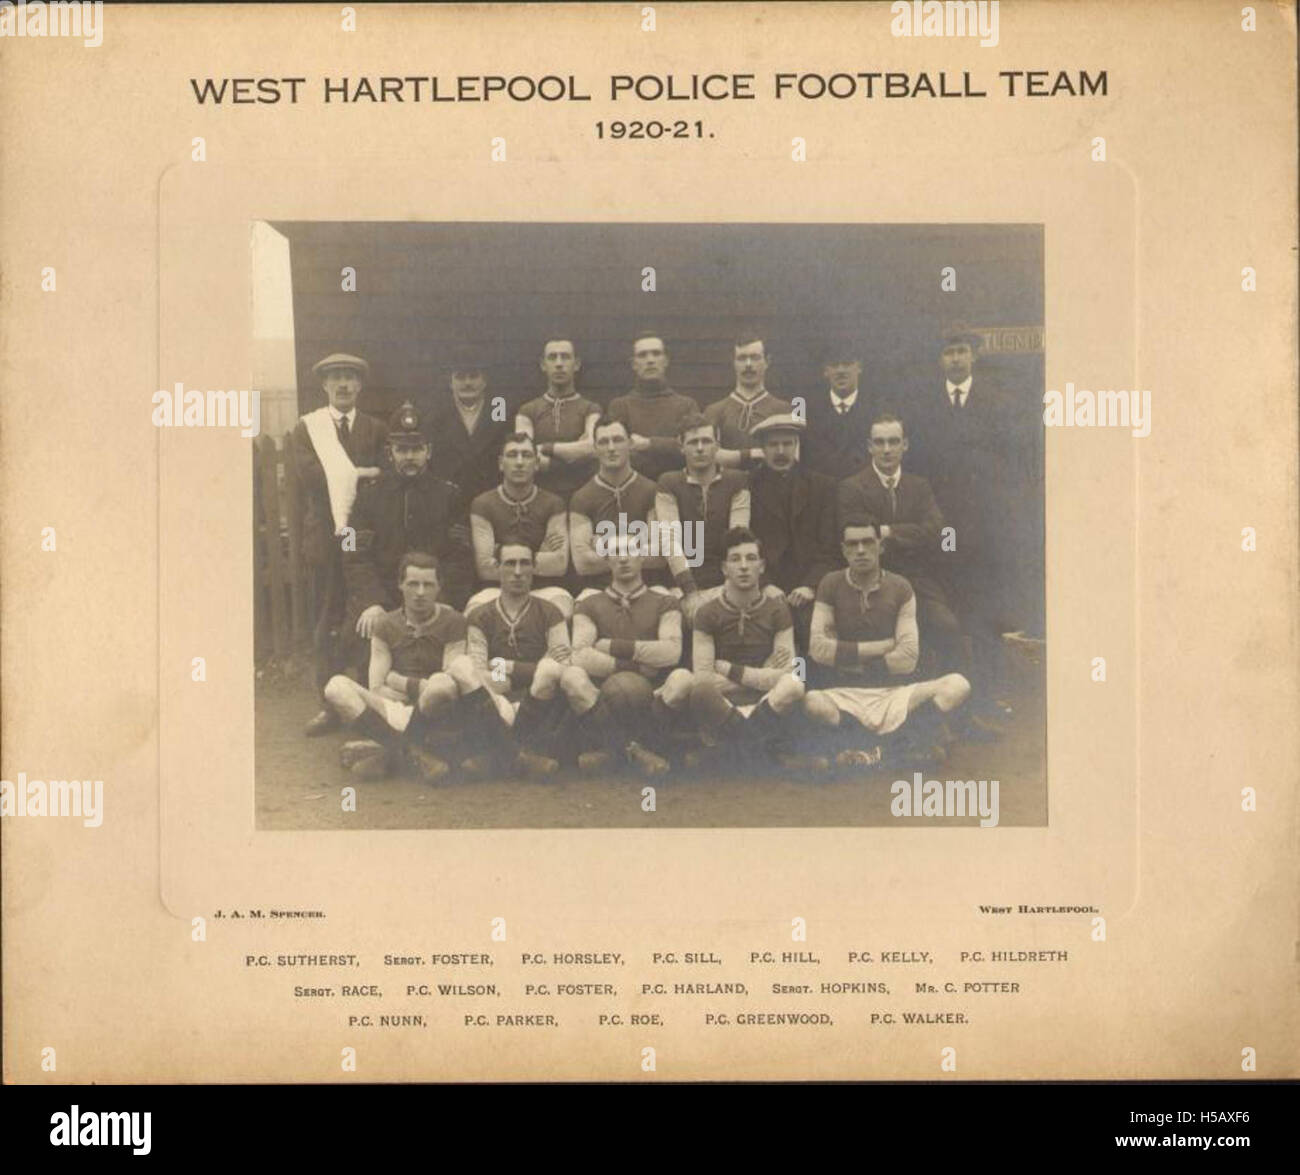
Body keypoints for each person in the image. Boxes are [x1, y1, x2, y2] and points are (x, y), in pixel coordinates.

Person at [908, 323, 1030, 730]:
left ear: (974, 356)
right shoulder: (925, 407)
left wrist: (997, 524)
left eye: (961, 351)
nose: (955, 359)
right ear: (940, 361)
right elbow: (920, 470)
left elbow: (1011, 468)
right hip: (940, 527)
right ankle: (949, 695)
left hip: (984, 530)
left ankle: (989, 693)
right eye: (948, 353)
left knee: (985, 613)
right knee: (947, 610)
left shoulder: (999, 402)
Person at [322, 552, 505, 782]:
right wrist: (399, 687)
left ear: (439, 587)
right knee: (335, 687)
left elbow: (448, 686)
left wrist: (398, 681)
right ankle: (410, 753)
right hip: (394, 709)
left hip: (434, 711)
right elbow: (377, 687)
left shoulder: (454, 621)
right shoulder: (385, 624)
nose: (420, 592)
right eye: (413, 584)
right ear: (400, 585)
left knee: (440, 684)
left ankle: (391, 753)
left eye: (428, 585)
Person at [803, 517, 971, 766]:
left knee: (958, 685)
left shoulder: (901, 586)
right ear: (844, 550)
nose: (861, 550)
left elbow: (907, 659)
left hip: (895, 693)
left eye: (868, 542)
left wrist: (850, 659)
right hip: (845, 693)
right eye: (853, 544)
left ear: (881, 546)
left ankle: (871, 749)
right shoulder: (830, 583)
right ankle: (900, 746)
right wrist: (883, 647)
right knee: (810, 701)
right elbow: (818, 649)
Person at [293, 352, 388, 737]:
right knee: (327, 621)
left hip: (363, 534)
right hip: (328, 540)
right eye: (336, 378)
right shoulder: (307, 429)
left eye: (350, 377)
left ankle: (366, 699)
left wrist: (356, 476)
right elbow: (311, 476)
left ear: (360, 385)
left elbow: (384, 473)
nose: (344, 384)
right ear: (325, 386)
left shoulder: (375, 428)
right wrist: (359, 474)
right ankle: (329, 705)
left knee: (367, 612)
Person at [342, 403, 474, 668]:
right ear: (390, 453)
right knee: (360, 632)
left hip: (433, 595)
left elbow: (460, 558)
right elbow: (353, 554)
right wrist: (371, 601)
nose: (409, 456)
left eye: (416, 449)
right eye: (402, 450)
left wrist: (443, 601)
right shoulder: (368, 496)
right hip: (385, 595)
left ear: (429, 451)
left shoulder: (450, 495)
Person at [836, 413, 963, 677]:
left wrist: (887, 531)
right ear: (869, 446)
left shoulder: (919, 486)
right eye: (879, 442)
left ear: (905, 445)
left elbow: (936, 530)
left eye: (893, 442)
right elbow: (859, 534)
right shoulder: (852, 487)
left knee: (947, 626)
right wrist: (910, 532)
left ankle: (953, 702)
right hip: (872, 580)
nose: (886, 450)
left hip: (916, 579)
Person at [558, 538, 691, 777]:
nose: (623, 558)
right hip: (603, 694)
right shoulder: (588, 604)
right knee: (571, 675)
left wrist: (611, 646)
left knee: (683, 679)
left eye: (631, 551)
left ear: (642, 558)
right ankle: (635, 751)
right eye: (616, 553)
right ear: (608, 561)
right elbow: (580, 655)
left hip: (653, 691)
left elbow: (672, 652)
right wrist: (633, 666)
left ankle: (615, 752)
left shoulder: (665, 602)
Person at [685, 528, 812, 770]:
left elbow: (787, 671)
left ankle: (735, 749)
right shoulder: (706, 613)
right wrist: (761, 675)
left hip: (766, 704)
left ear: (762, 567)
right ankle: (762, 751)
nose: (743, 566)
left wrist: (731, 670)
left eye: (751, 558)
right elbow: (703, 677)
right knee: (699, 690)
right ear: (724, 568)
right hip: (723, 707)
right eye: (735, 559)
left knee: (794, 684)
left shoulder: (778, 610)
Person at [465, 536, 574, 776]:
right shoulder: (480, 616)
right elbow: (477, 671)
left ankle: (499, 756)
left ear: (534, 568)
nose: (517, 572)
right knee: (468, 680)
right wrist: (533, 667)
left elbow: (559, 666)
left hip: (540, 700)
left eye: (525, 563)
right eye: (509, 563)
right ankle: (520, 756)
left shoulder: (550, 612)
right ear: (497, 568)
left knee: (552, 675)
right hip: (497, 702)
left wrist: (506, 666)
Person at [745, 414, 840, 652]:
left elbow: (830, 546)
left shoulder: (822, 486)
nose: (780, 451)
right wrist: (764, 584)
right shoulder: (747, 486)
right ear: (762, 449)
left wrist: (810, 586)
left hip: (809, 586)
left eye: (787, 443)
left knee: (816, 638)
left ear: (796, 446)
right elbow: (743, 541)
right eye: (773, 445)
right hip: (765, 587)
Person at [653, 413, 750, 622]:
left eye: (706, 441)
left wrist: (728, 587)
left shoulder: (737, 481)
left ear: (717, 445)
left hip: (725, 580)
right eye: (693, 442)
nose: (699, 448)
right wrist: (690, 591)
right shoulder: (669, 482)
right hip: (682, 583)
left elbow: (738, 538)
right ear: (681, 447)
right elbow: (670, 541)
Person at [468, 432, 571, 610]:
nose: (519, 462)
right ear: (501, 463)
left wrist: (500, 555)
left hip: (543, 588)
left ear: (537, 463)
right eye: (512, 455)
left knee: (561, 608)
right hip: (496, 590)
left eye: (526, 455)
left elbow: (559, 565)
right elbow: (484, 569)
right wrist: (538, 556)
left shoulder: (553, 503)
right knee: (475, 610)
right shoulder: (483, 503)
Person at [568, 415, 667, 591]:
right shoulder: (582, 497)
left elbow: (660, 556)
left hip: (649, 588)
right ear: (595, 448)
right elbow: (583, 564)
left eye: (618, 440)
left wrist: (603, 547)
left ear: (630, 444)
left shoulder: (652, 490)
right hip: (599, 590)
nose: (611, 448)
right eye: (604, 442)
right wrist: (638, 547)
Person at [423, 344, 512, 503]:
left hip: (490, 495)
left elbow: (502, 443)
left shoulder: (498, 407)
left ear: (484, 381)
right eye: (460, 377)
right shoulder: (437, 414)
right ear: (450, 383)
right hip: (449, 498)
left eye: (473, 376)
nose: (467, 383)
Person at [515, 337, 601, 501]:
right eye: (552, 357)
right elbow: (525, 455)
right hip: (539, 498)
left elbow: (592, 449)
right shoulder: (527, 410)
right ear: (543, 365)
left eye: (565, 357)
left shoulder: (591, 408)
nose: (559, 363)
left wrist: (546, 448)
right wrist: (576, 456)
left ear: (576, 364)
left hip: (582, 495)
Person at [608, 332, 700, 482]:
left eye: (656, 354)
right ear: (634, 364)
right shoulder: (620, 406)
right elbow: (617, 451)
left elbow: (693, 448)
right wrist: (671, 446)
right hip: (634, 490)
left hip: (677, 488)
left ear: (665, 361)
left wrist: (649, 444)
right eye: (642, 355)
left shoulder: (686, 405)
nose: (650, 360)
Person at [701, 332, 792, 465]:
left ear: (767, 361)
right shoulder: (714, 411)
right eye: (742, 358)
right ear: (734, 363)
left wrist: (730, 457)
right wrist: (751, 454)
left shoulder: (783, 409)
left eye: (755, 358)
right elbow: (707, 456)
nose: (748, 364)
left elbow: (790, 456)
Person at [801, 338, 876, 481]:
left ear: (859, 368)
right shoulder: (808, 411)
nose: (841, 371)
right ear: (825, 372)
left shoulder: (876, 408)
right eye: (834, 365)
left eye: (847, 364)